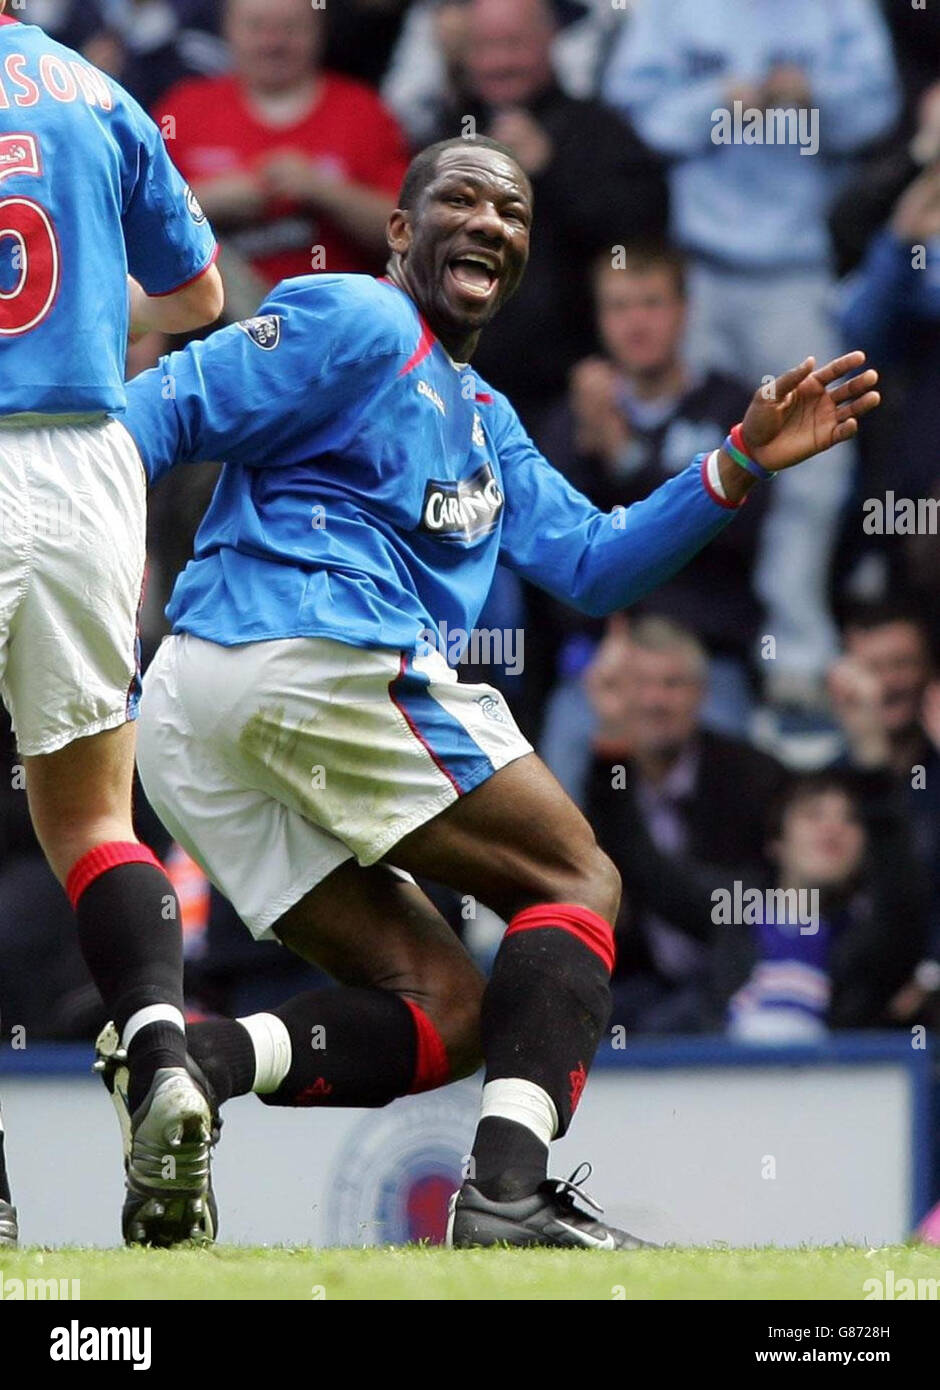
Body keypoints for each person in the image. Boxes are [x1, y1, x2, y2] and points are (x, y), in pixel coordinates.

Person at [107, 134, 879, 1249]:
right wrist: (76, 557)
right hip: (310, 647)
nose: (491, 223)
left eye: (511, 212)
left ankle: (187, 1064)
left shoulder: (482, 418)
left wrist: (736, 464)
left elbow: (594, 563)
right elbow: (160, 410)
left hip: (201, 713)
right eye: (459, 200)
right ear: (403, 233)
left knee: (445, 1008)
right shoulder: (358, 319)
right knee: (574, 877)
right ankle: (507, 1193)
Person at [0, 3, 223, 1249]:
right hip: (89, 462)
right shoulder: (94, 91)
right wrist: (87, 315)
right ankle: (159, 1050)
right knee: (91, 816)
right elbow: (199, 292)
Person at [603, 0, 900, 708]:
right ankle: (679, 637)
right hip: (696, 266)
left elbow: (879, 111)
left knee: (816, 461)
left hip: (794, 267)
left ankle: (794, 653)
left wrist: (816, 100)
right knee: (689, 449)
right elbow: (624, 112)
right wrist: (716, 101)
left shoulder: (839, 10)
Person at [578, 616, 787, 1032]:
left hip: (737, 977)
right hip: (636, 983)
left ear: (702, 694)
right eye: (639, 684)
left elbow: (716, 901)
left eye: (672, 684)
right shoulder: (605, 776)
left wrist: (611, 747)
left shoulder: (755, 777)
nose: (656, 701)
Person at [155, 0, 409, 288]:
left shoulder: (364, 112)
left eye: (290, 28)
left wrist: (324, 192)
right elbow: (136, 219)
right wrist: (205, 203)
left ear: (319, 31)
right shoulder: (183, 110)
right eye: (256, 27)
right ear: (227, 30)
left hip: (337, 312)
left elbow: (407, 231)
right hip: (210, 319)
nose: (273, 42)